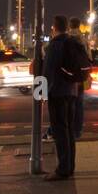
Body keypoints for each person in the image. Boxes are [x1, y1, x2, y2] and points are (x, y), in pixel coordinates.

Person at [42, 14, 78, 180]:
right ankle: (70, 167)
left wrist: (42, 93)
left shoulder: (54, 46)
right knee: (69, 130)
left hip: (57, 92)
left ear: (54, 28)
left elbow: (47, 72)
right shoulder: (72, 42)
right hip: (72, 92)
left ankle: (62, 169)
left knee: (59, 131)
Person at [68, 16, 89, 139]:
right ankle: (78, 130)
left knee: (69, 104)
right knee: (79, 104)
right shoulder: (84, 40)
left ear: (70, 25)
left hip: (70, 76)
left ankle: (70, 129)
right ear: (79, 25)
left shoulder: (67, 38)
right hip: (82, 76)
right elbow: (89, 58)